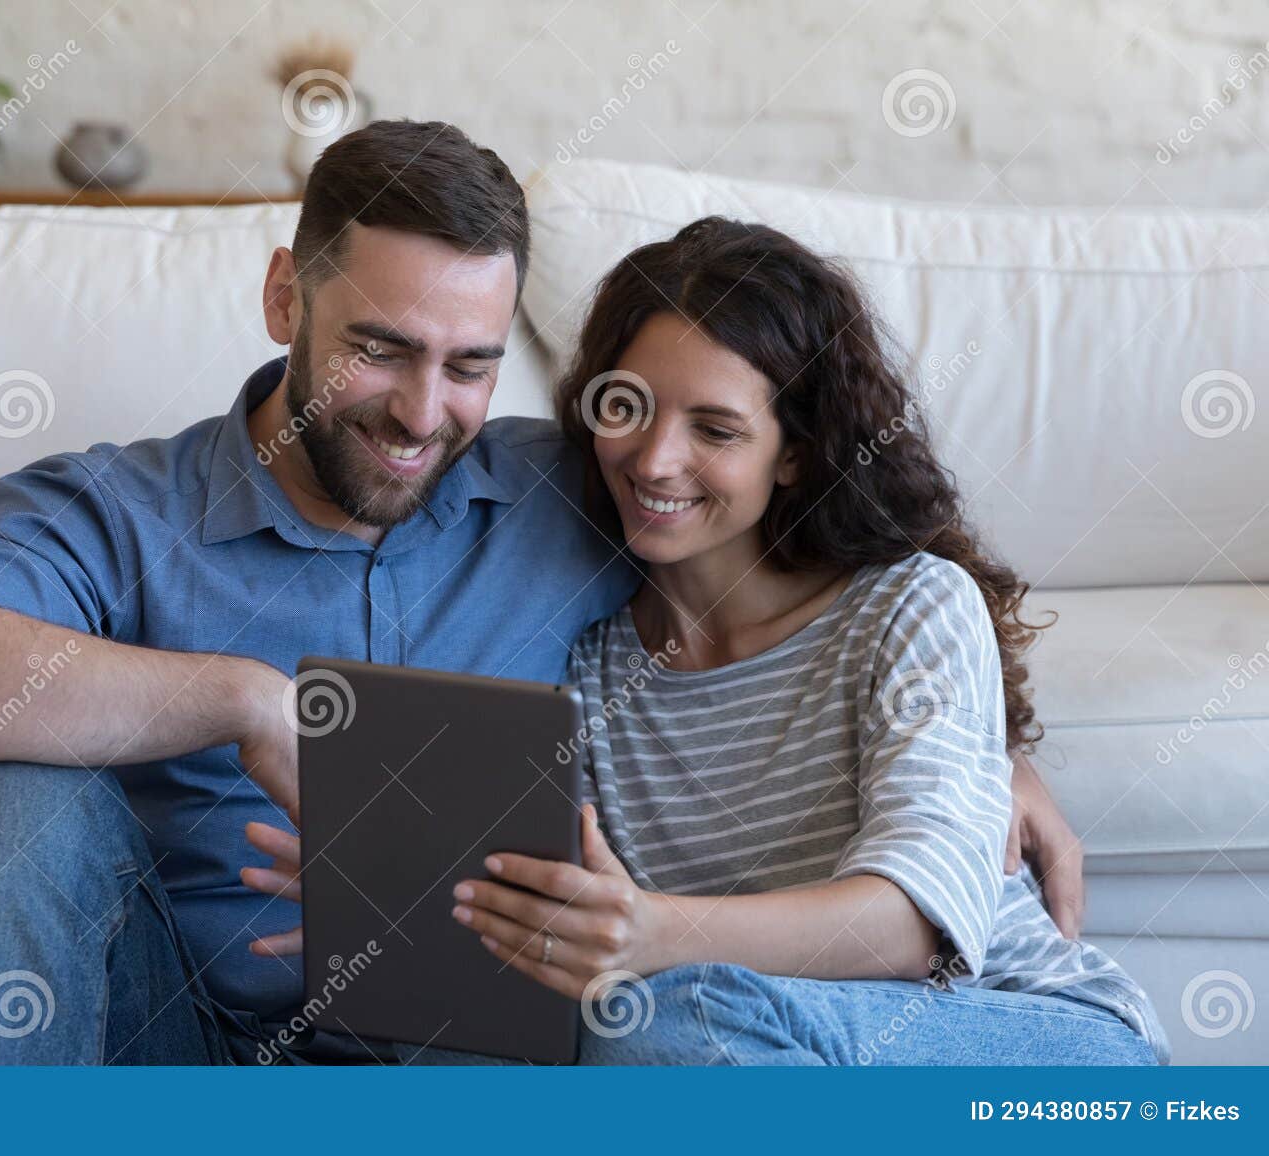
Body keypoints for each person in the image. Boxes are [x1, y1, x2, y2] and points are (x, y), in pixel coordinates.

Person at [0, 120, 1085, 1064]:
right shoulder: (115, 511)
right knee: (15, 798)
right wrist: (243, 701)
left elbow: (812, 553)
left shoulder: (576, 492)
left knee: (663, 1031)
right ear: (287, 299)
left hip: (474, 1052)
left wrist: (991, 756)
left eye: (470, 365)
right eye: (379, 349)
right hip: (192, 1035)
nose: (420, 412)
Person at [377, 218, 1167, 1064]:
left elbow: (912, 929)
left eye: (715, 430)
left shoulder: (912, 606)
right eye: (628, 409)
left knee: (677, 1017)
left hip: (1030, 1040)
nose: (653, 461)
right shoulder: (589, 665)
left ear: (793, 454)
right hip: (753, 1051)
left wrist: (652, 934)